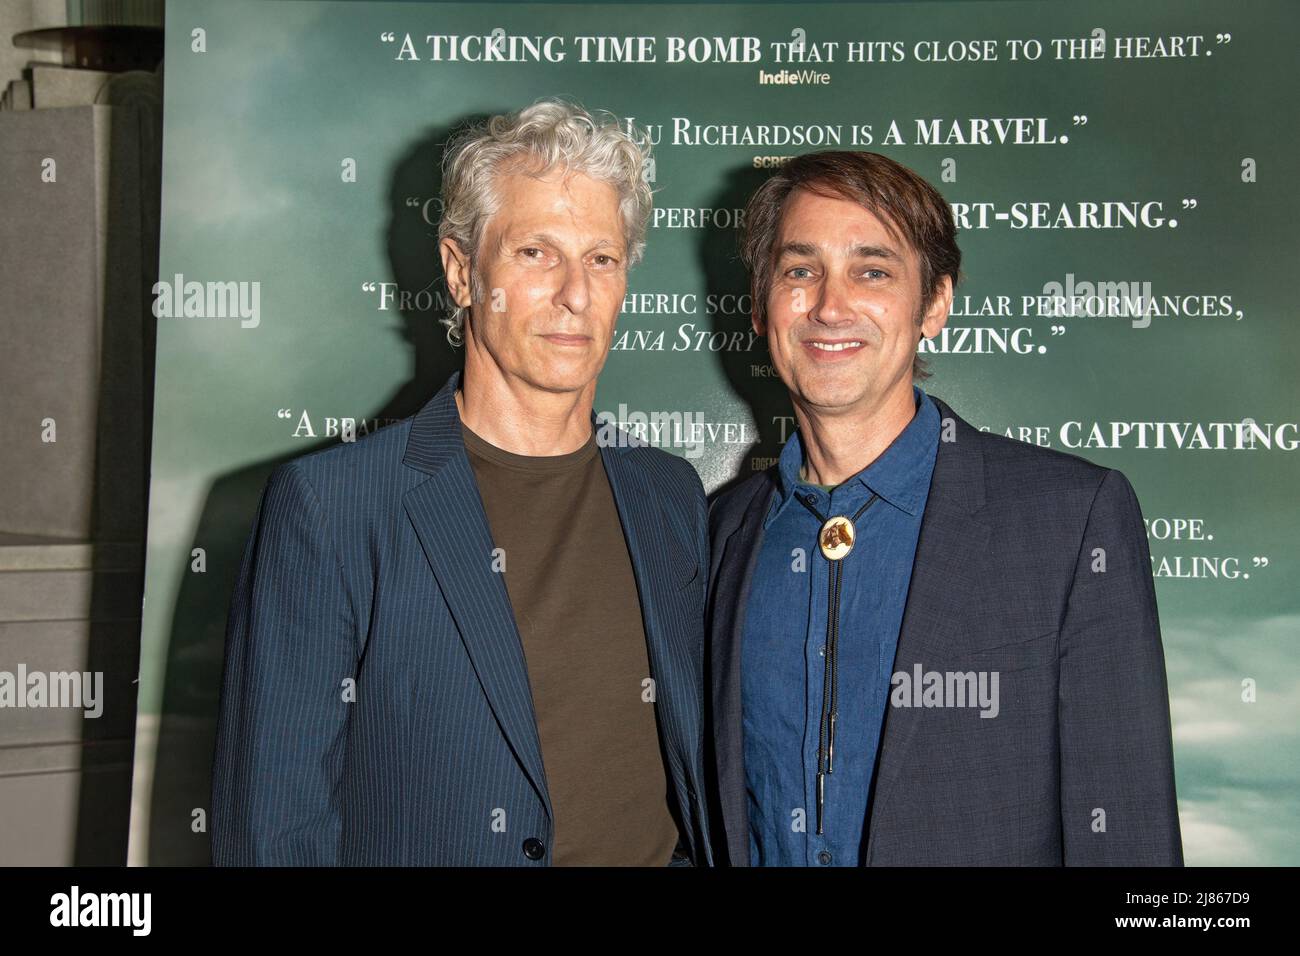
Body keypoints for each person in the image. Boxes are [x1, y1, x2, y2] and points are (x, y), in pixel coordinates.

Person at [212, 98, 711, 866]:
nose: (575, 292)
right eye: (536, 253)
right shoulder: (334, 507)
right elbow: (274, 831)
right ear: (460, 271)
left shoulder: (670, 495)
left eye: (601, 259)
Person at [706, 150, 1182, 866]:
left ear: (935, 303)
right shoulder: (719, 534)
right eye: (799, 271)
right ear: (759, 304)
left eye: (873, 271)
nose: (830, 305)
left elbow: (1130, 844)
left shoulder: (1069, 521)